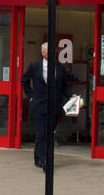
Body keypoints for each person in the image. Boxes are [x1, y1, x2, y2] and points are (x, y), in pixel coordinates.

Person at [21, 42, 80, 170]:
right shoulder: (34, 67)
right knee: (41, 133)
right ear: (43, 53)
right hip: (39, 106)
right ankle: (42, 161)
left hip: (54, 106)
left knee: (49, 134)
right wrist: (30, 95)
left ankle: (46, 159)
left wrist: (71, 95)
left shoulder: (60, 68)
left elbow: (64, 86)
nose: (52, 53)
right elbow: (24, 80)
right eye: (49, 51)